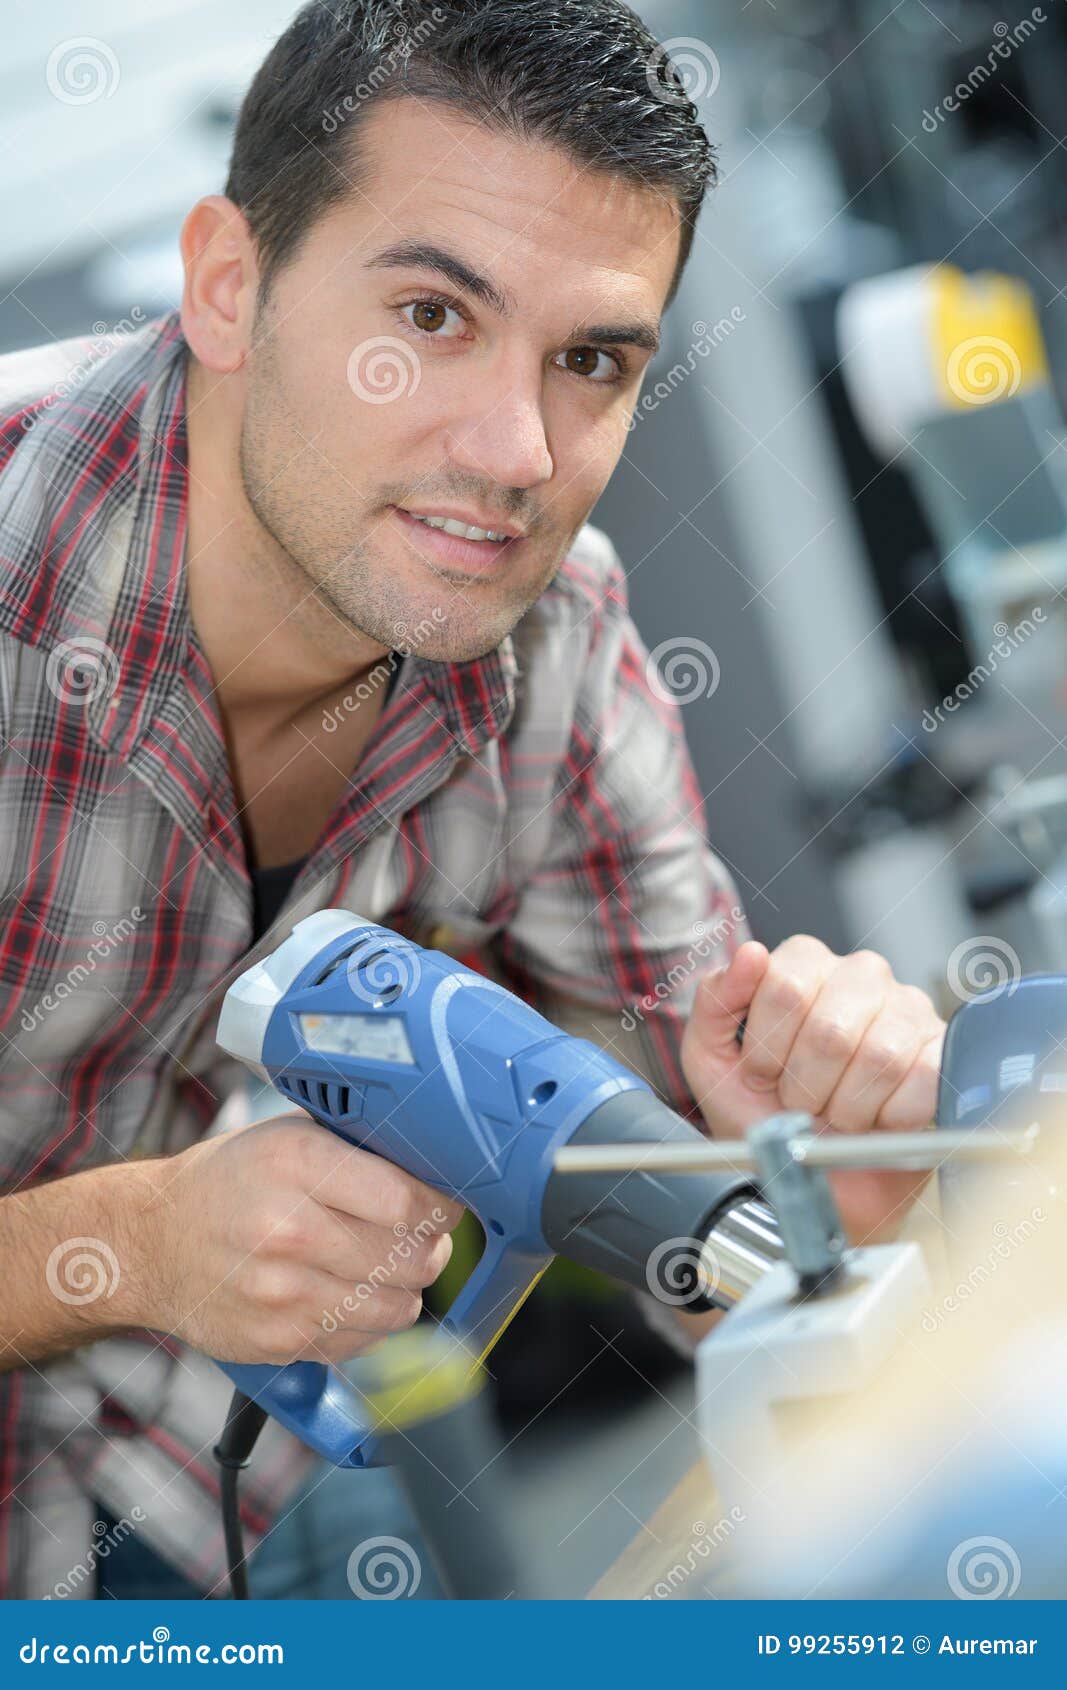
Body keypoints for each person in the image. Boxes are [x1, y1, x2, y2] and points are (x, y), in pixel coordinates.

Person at [0, 0, 944, 1599]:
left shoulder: (558, 648)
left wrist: (841, 1168)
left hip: (167, 1452)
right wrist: (141, 1241)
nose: (515, 452)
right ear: (230, 285)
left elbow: (717, 1242)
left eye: (590, 360)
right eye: (432, 317)